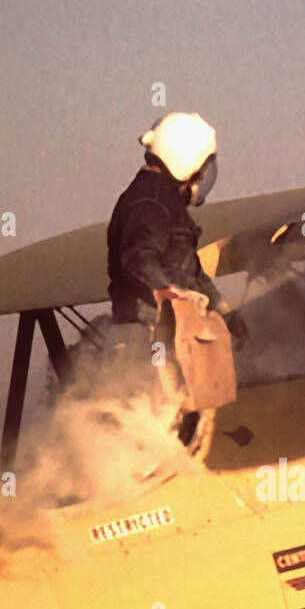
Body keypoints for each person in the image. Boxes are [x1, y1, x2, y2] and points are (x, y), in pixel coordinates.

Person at [106, 112, 247, 433]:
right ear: (187, 158)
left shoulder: (162, 200)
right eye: (203, 165)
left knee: (174, 427)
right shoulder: (151, 202)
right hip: (147, 337)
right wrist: (167, 294)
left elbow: (189, 271)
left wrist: (223, 311)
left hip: (164, 336)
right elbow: (139, 259)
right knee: (154, 435)